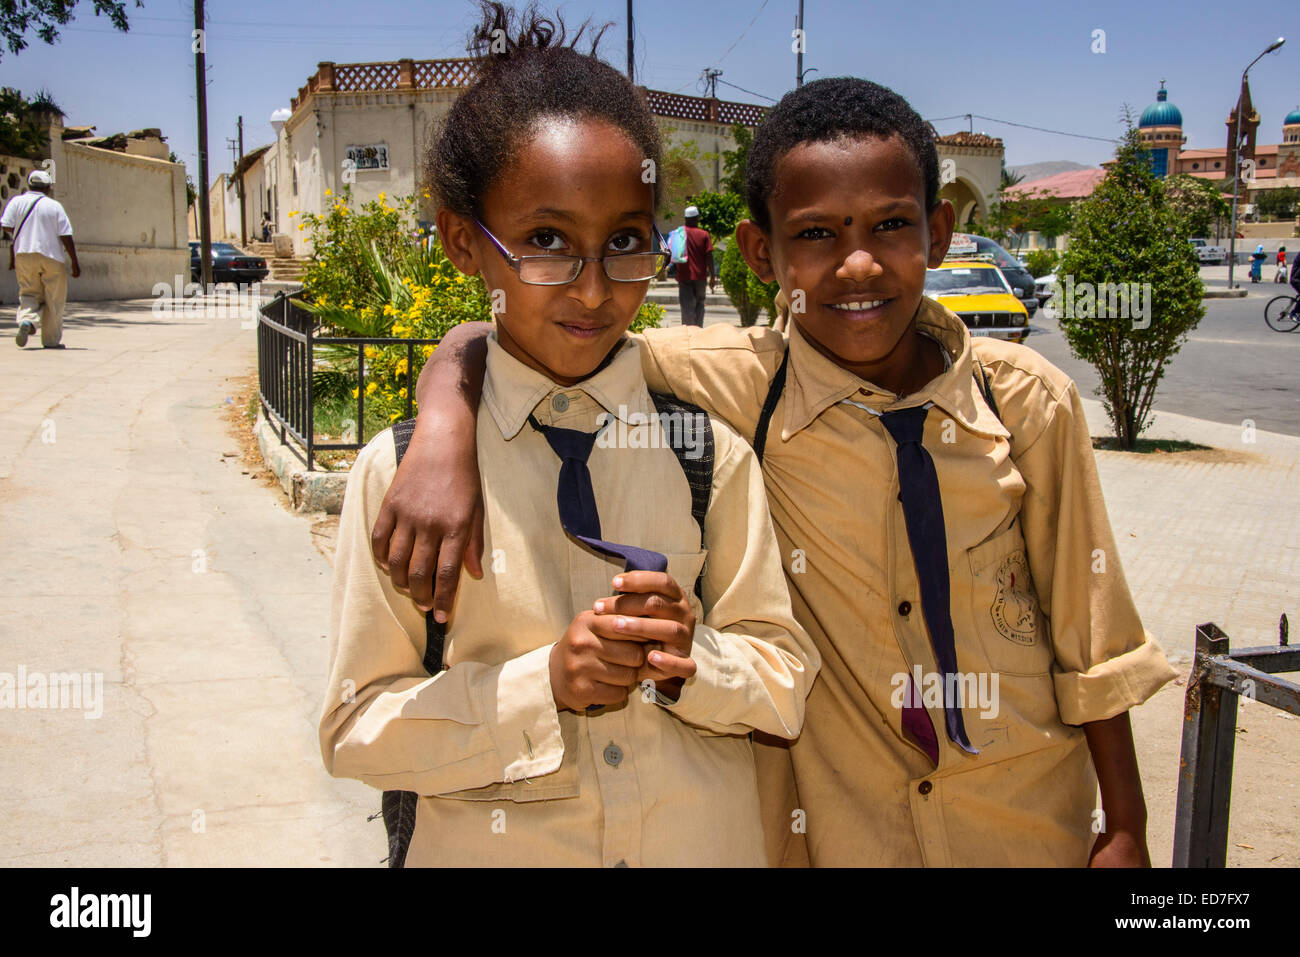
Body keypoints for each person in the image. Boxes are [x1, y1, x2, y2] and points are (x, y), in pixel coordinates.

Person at [372, 76, 1178, 868]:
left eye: (891, 225)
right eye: (817, 234)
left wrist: (1129, 826)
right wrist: (445, 416)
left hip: (1026, 822)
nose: (857, 266)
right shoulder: (740, 384)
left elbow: (1090, 640)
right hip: (849, 835)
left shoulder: (1025, 401)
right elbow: (536, 333)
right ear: (762, 253)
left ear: (937, 230)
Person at [318, 0, 818, 868]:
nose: (593, 290)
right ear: (462, 243)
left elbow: (785, 685)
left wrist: (689, 657)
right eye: (545, 241)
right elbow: (357, 729)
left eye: (625, 242)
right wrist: (538, 686)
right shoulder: (401, 476)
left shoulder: (709, 457)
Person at [2, 169, 79, 349]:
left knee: (29, 293)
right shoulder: (54, 206)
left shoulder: (16, 202)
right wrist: (75, 262)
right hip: (52, 257)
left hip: (23, 254)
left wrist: (23, 237)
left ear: (29, 185)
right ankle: (51, 340)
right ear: (47, 187)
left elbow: (6, 225)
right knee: (54, 298)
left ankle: (27, 321)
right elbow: (66, 235)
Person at [673, 204, 716, 327]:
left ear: (686, 219)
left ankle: (688, 332)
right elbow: (709, 256)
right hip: (700, 277)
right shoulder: (704, 235)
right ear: (697, 218)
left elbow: (674, 254)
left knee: (687, 306)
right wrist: (712, 276)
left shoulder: (679, 233)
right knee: (700, 305)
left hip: (684, 276)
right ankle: (698, 330)